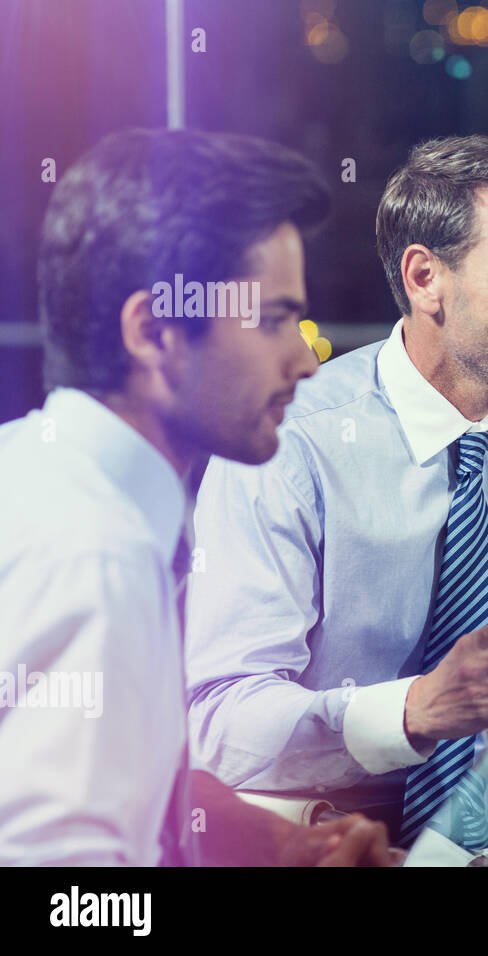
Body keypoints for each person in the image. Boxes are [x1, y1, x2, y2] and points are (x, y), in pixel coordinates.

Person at [184, 135, 488, 851]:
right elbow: (220, 720)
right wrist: (413, 713)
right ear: (425, 278)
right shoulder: (290, 444)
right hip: (335, 840)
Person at [0, 128, 394, 865]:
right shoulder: (95, 557)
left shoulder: (31, 468)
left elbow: (132, 775)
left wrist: (282, 846)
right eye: (273, 320)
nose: (306, 362)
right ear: (155, 333)